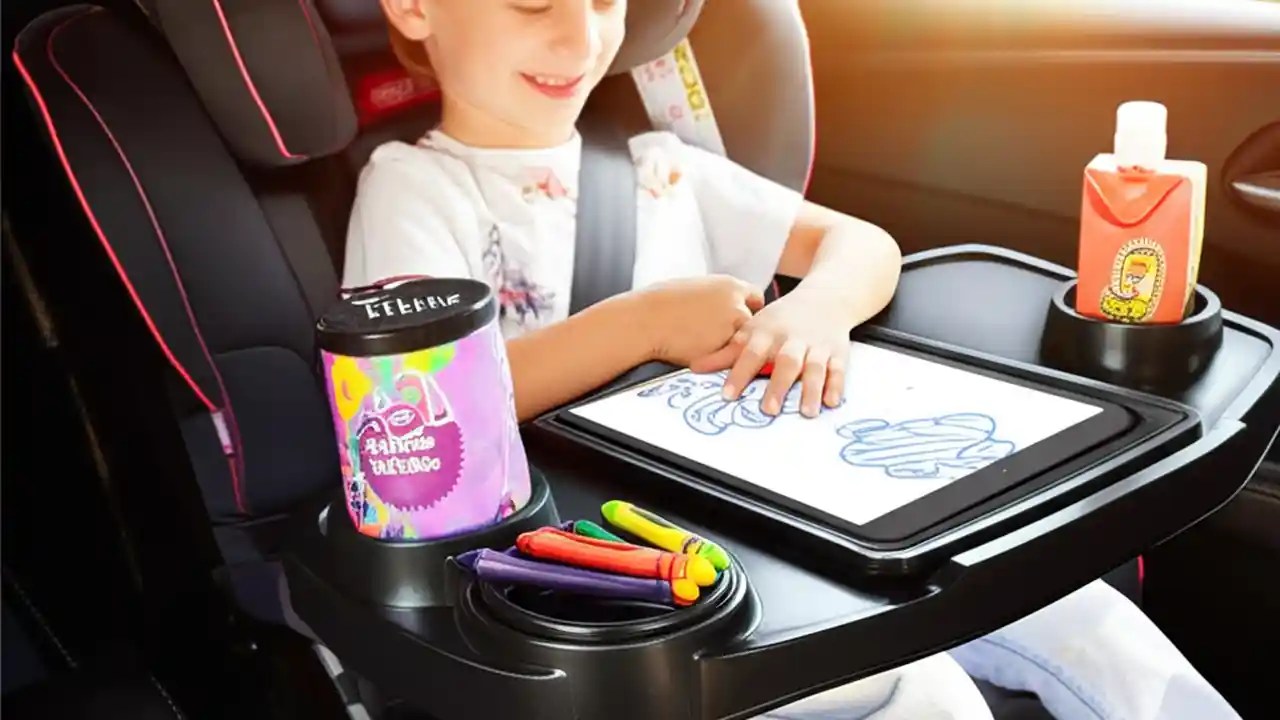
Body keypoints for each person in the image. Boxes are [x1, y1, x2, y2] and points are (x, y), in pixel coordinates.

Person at [347, 2, 1241, 718]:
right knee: (916, 688)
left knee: (1085, 615)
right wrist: (644, 326)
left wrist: (814, 310)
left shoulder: (663, 169)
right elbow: (419, 421)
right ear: (413, 8)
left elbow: (862, 246)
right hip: (639, 572)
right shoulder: (416, 186)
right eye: (533, 2)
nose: (582, 34)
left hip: (790, 514)